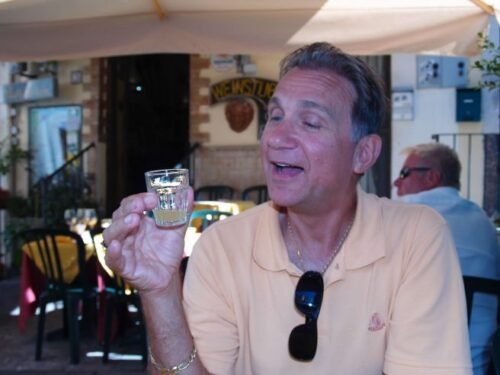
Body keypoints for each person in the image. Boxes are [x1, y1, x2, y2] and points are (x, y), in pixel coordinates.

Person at [103, 43, 472, 374]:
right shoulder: (221, 246)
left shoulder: (415, 237)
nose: (276, 137)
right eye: (275, 117)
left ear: (364, 153)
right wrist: (161, 291)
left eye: (310, 122)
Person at [394, 142, 499, 375]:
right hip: (477, 366)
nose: (396, 182)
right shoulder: (484, 222)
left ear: (431, 177)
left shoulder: (404, 213)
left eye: (404, 174)